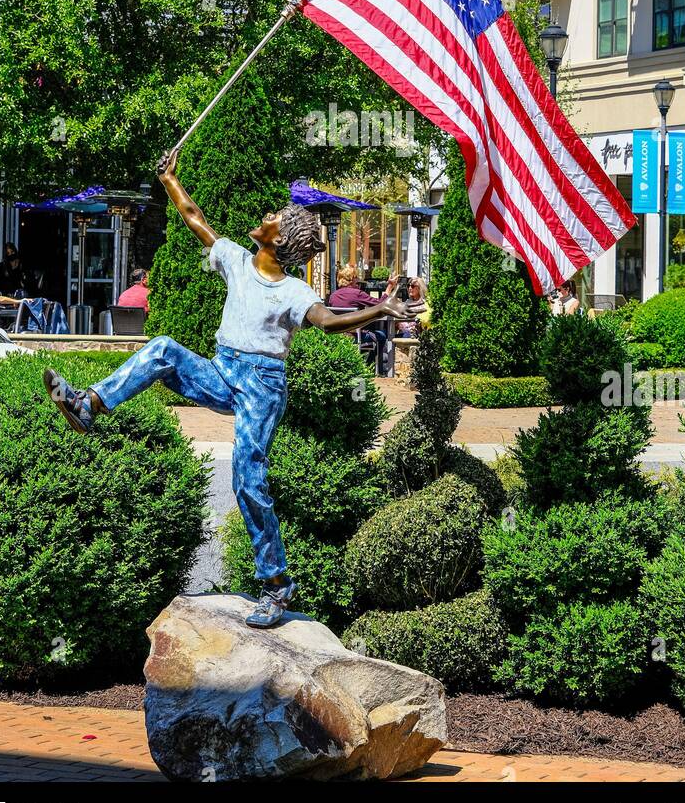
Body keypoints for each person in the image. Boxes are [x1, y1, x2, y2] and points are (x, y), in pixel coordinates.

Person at [43, 151, 411, 630]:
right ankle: (88, 404)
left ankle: (276, 585)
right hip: (222, 370)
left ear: (284, 242)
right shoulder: (236, 259)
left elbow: (330, 321)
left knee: (246, 479)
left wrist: (379, 309)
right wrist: (169, 178)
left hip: (261, 385)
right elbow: (195, 218)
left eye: (275, 219)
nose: (266, 217)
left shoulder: (295, 291)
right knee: (163, 350)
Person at [327, 263, 392, 364]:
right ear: (352, 279)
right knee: (381, 335)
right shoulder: (357, 294)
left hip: (337, 335)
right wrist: (389, 289)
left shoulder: (333, 296)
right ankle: (370, 367)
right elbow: (380, 304)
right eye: (356, 277)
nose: (358, 280)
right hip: (354, 335)